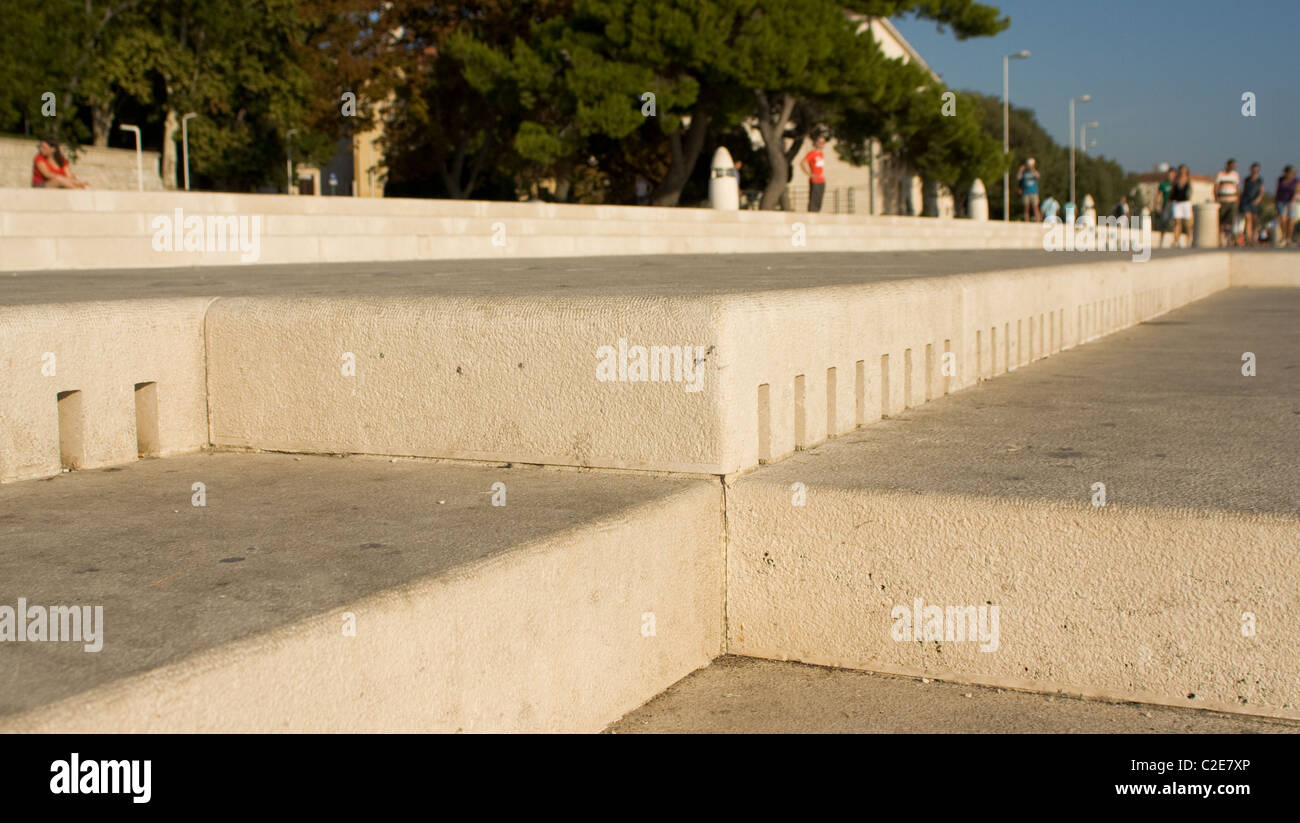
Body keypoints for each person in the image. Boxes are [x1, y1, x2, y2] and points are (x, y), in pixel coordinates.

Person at [1214, 158, 1240, 246]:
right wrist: (1216, 198)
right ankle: (1221, 239)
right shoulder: (1220, 174)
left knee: (1230, 220)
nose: (1233, 167)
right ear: (1227, 165)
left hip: (1232, 200)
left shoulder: (1235, 175)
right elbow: (1216, 187)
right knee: (1221, 220)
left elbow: (1236, 188)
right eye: (1231, 165)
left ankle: (1229, 238)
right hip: (1222, 200)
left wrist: (1237, 199)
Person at [800, 134, 827, 213]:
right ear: (816, 143)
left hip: (822, 180)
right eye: (819, 142)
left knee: (819, 199)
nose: (821, 144)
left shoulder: (821, 154)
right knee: (814, 199)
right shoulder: (812, 153)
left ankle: (817, 213)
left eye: (823, 142)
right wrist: (809, 174)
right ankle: (811, 215)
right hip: (815, 180)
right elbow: (802, 163)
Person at [1240, 163, 1264, 246]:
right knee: (1248, 219)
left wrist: (1258, 200)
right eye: (1253, 169)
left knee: (1255, 221)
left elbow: (1261, 192)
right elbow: (1242, 190)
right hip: (1246, 201)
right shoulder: (1246, 179)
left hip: (1255, 202)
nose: (1255, 171)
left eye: (1256, 169)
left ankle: (1254, 237)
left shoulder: (1260, 180)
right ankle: (1249, 239)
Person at [1170, 164, 1193, 248]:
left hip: (1185, 203)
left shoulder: (1188, 180)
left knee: (1187, 223)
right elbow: (1172, 192)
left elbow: (1190, 191)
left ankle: (1189, 240)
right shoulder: (1175, 180)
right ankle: (1175, 241)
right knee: (1177, 222)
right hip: (1176, 203)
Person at [1276, 165, 1297, 245]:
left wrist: (1292, 202)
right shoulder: (1280, 180)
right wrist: (1275, 201)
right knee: (1282, 219)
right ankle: (1284, 236)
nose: (1290, 174)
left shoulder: (1295, 181)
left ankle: (1289, 238)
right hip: (1281, 201)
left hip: (1291, 201)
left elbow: (1296, 192)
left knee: (1291, 221)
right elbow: (1277, 190)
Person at [1156, 167, 1175, 248]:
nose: (1171, 176)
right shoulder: (1164, 184)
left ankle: (1175, 241)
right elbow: (1159, 195)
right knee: (1163, 223)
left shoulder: (1176, 184)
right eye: (1169, 174)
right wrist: (1158, 205)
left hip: (1174, 206)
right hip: (1165, 206)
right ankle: (1161, 241)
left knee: (1176, 223)